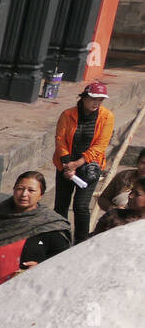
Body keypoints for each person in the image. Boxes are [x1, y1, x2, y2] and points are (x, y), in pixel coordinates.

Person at [0, 171, 71, 298]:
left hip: (27, 297)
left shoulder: (50, 225)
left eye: (31, 190)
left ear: (41, 195)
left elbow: (64, 260)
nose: (24, 194)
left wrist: (42, 267)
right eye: (20, 189)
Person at [53, 81, 114, 244]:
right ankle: (59, 239)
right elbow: (60, 140)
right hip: (65, 165)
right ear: (84, 98)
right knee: (60, 205)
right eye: (93, 98)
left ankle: (81, 242)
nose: (97, 103)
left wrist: (77, 164)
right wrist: (67, 164)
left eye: (100, 100)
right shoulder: (67, 114)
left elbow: (100, 146)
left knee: (80, 206)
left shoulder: (107, 116)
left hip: (90, 168)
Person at [94, 149, 145, 233]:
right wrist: (114, 210)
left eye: (138, 194)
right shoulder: (124, 177)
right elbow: (103, 199)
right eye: (143, 162)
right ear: (137, 161)